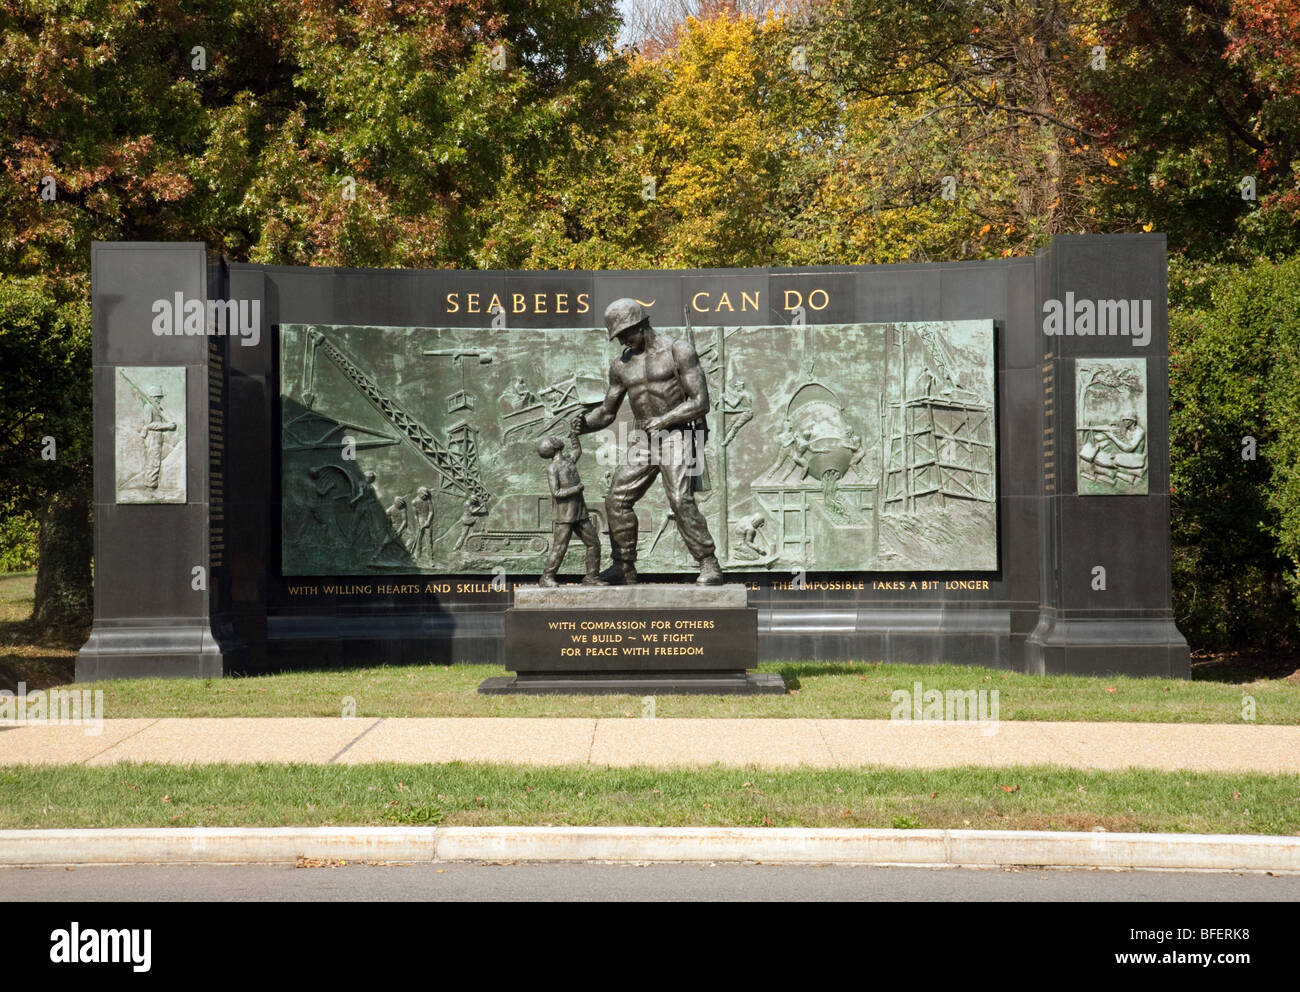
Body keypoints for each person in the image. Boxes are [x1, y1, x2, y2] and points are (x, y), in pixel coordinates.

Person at [575, 299, 722, 585]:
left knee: (680, 498)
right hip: (644, 438)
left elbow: (700, 402)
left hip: (678, 433)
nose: (621, 343)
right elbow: (606, 412)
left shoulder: (678, 350)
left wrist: (665, 420)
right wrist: (584, 424)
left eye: (624, 335)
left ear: (641, 325)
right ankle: (624, 566)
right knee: (616, 499)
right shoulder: (621, 365)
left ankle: (708, 562)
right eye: (617, 338)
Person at [537, 426, 603, 587]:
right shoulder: (553, 468)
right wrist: (576, 488)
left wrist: (574, 435)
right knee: (560, 547)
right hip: (565, 515)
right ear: (552, 447)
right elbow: (556, 492)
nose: (557, 438)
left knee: (594, 544)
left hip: (580, 512)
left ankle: (591, 577)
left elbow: (577, 450)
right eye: (554, 439)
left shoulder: (568, 460)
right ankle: (546, 577)